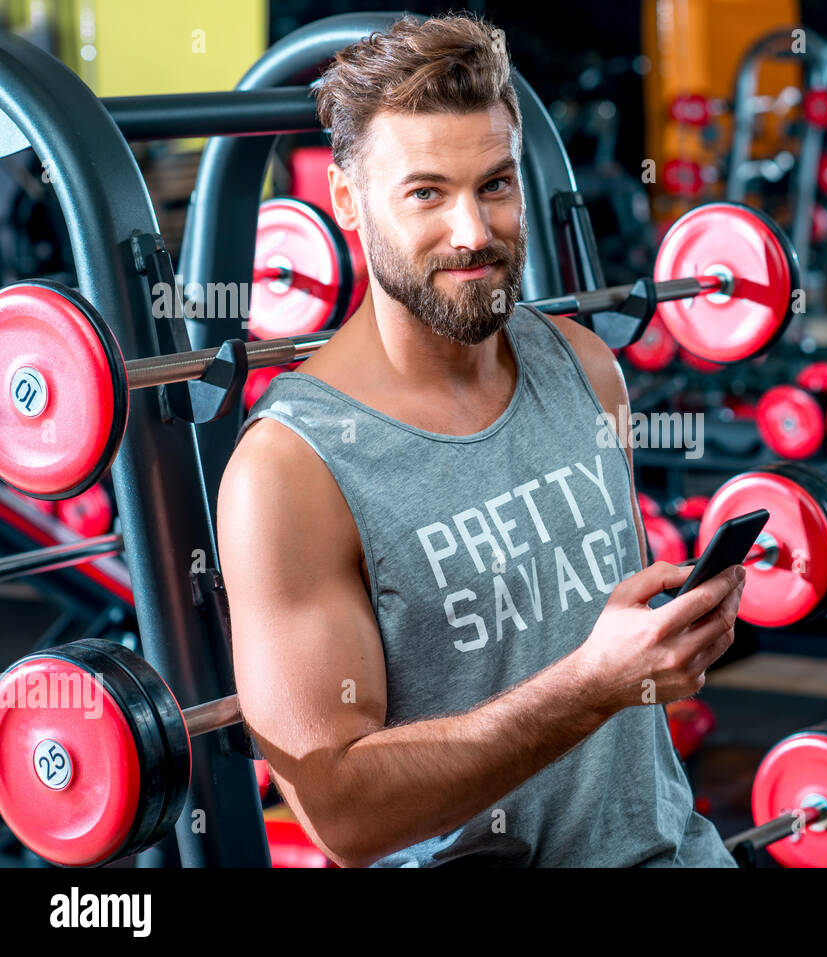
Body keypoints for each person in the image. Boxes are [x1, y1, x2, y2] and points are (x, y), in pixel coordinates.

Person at [216, 13, 744, 868]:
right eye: (426, 193)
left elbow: (602, 662)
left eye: (495, 185)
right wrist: (590, 686)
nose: (474, 232)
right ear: (347, 203)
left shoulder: (584, 367)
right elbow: (342, 815)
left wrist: (672, 636)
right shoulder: (290, 472)